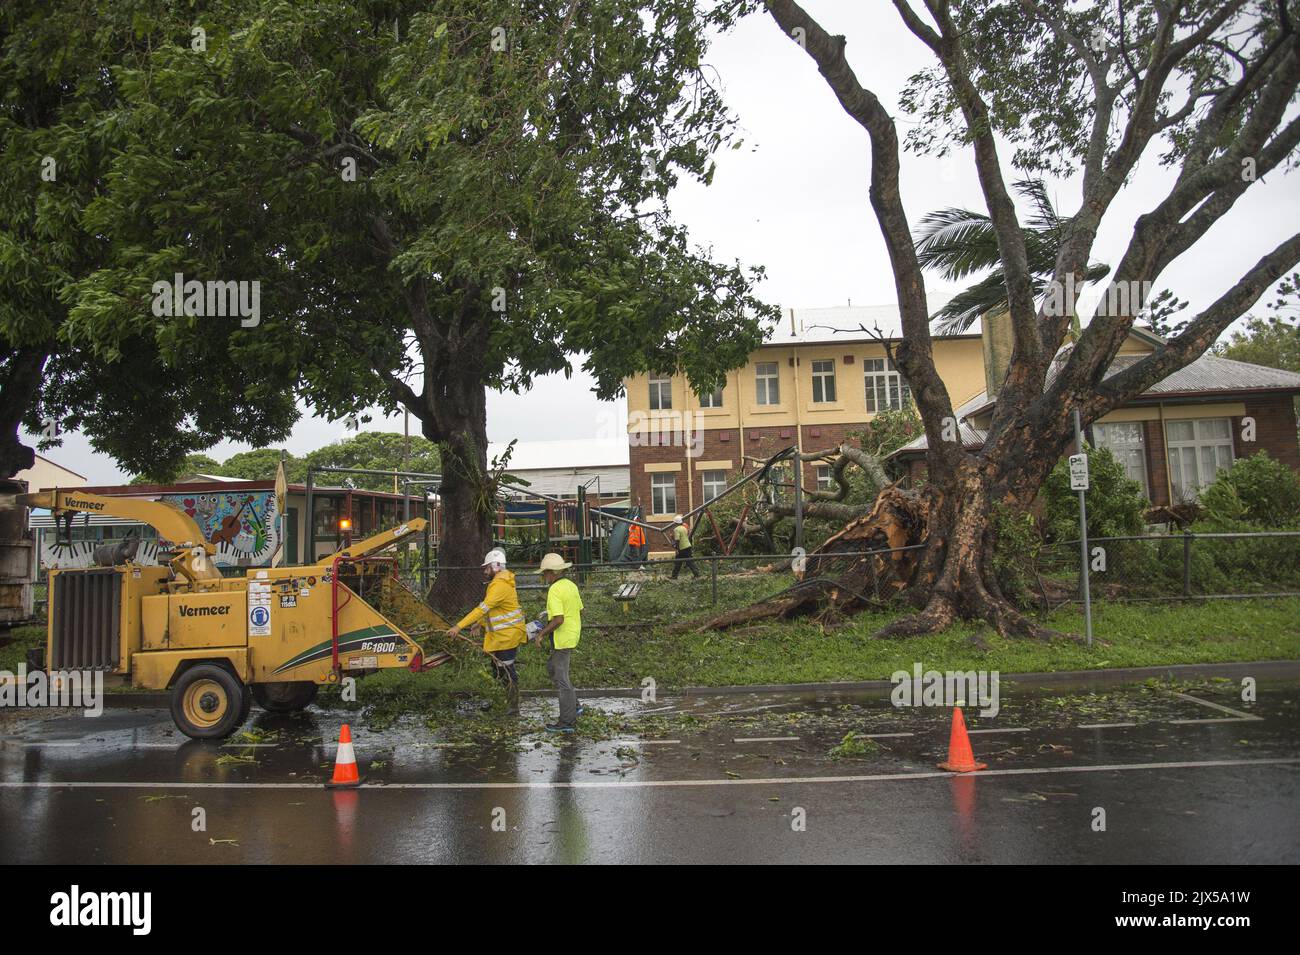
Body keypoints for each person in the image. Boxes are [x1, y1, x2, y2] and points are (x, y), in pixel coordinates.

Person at [447, 548, 526, 716]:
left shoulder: (499, 585)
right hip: (502, 636)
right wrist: (479, 623)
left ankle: (513, 707)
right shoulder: (499, 583)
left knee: (506, 670)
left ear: (495, 566)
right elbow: (492, 609)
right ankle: (503, 701)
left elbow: (482, 608)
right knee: (497, 669)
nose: (485, 571)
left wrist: (458, 626)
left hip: (507, 636)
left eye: (487, 568)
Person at [533, 552, 584, 733]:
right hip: (572, 634)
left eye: (544, 573)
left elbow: (559, 620)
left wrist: (541, 634)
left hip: (562, 638)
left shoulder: (554, 589)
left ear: (551, 573)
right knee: (552, 668)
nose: (543, 577)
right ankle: (575, 706)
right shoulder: (570, 585)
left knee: (562, 680)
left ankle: (567, 722)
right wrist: (551, 615)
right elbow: (579, 609)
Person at [670, 515, 700, 579]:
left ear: (675, 523)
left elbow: (678, 540)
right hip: (688, 546)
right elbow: (684, 537)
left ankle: (696, 575)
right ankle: (696, 574)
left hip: (682, 548)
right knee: (683, 561)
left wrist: (677, 549)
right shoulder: (684, 528)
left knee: (684, 562)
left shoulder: (676, 529)